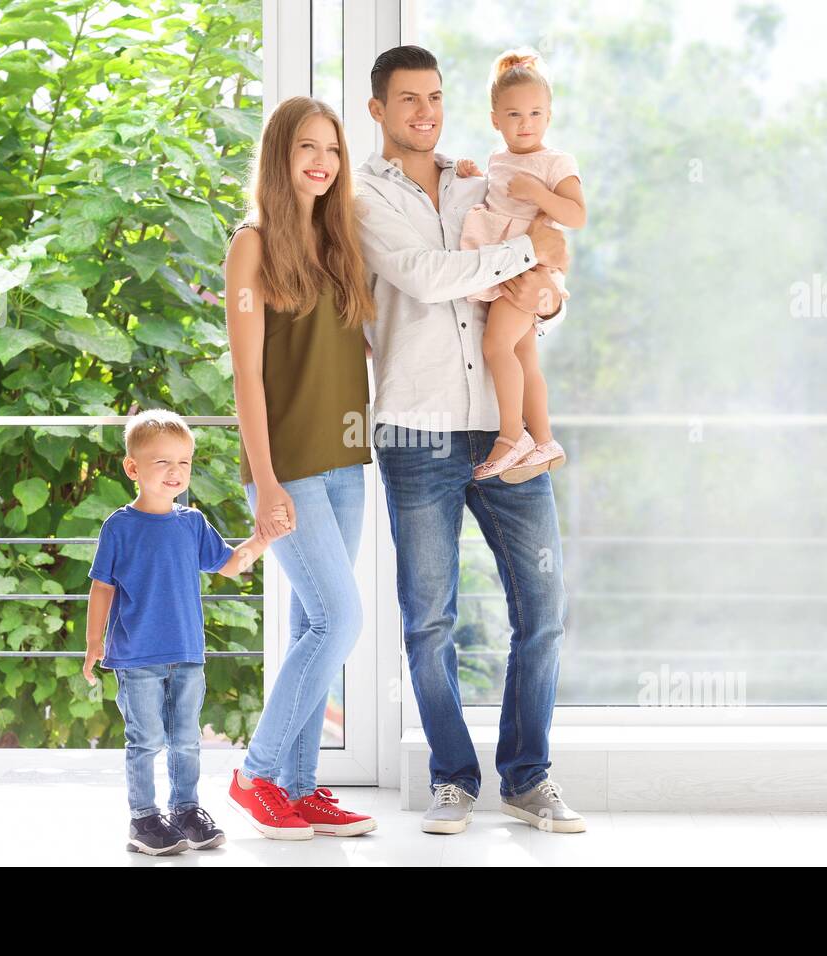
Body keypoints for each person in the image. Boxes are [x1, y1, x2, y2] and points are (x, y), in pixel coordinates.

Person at [356, 45, 586, 834]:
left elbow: (547, 271)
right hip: (416, 428)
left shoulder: (477, 177)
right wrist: (530, 254)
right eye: (408, 99)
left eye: (435, 97)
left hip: (502, 424)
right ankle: (452, 777)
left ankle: (528, 776)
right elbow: (426, 276)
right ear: (378, 110)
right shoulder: (362, 196)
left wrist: (546, 295)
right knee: (429, 622)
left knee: (543, 610)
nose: (425, 111)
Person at [223, 95, 379, 839]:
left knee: (312, 625)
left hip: (346, 461)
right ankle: (254, 774)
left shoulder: (341, 243)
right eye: (307, 148)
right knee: (340, 619)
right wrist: (265, 482)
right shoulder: (251, 246)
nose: (323, 162)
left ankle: (299, 787)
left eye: (334, 149)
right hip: (288, 469)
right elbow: (246, 377)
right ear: (280, 155)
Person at [82, 408, 282, 855]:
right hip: (136, 658)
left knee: (187, 740)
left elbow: (230, 565)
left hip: (188, 654)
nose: (176, 471)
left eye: (184, 462)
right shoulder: (119, 527)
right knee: (145, 740)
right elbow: (101, 587)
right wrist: (94, 641)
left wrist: (263, 539)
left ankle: (186, 810)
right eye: (163, 462)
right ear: (133, 468)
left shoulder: (192, 523)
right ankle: (143, 819)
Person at [455, 46, 585, 482]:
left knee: (496, 347)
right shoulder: (498, 158)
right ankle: (543, 438)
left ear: (549, 116)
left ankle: (512, 435)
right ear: (495, 119)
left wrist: (540, 194)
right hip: (505, 261)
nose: (525, 123)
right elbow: (498, 201)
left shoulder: (556, 162)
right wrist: (475, 177)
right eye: (514, 115)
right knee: (524, 355)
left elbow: (576, 215)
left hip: (528, 271)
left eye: (534, 114)